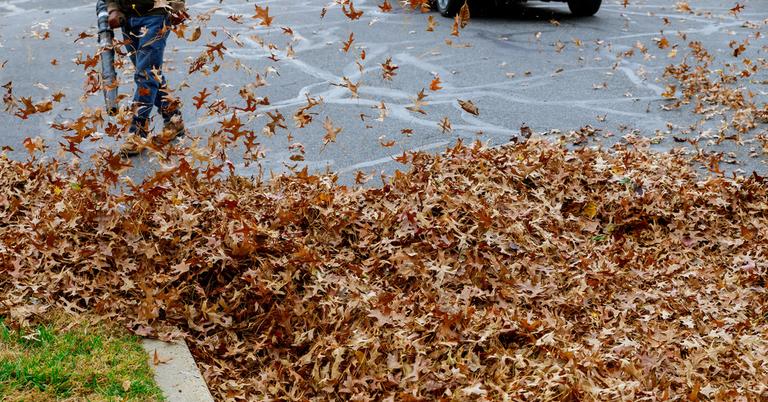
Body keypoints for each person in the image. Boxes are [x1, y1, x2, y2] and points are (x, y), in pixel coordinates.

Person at [106, 0, 188, 157]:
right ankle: (173, 118)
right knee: (150, 73)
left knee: (146, 74)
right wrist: (113, 8)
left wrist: (178, 5)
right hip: (128, 18)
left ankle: (137, 132)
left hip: (156, 16)